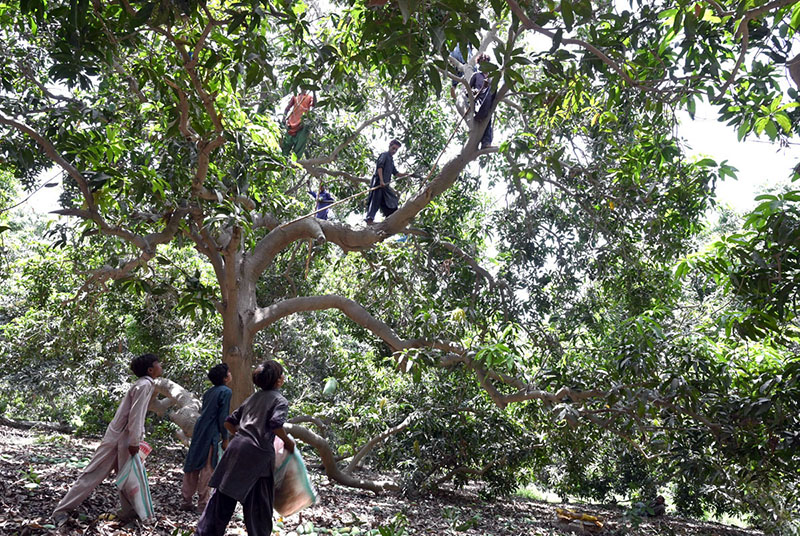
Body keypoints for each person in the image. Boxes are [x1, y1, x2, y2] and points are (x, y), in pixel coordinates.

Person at [53, 354, 163, 527]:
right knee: (93, 474)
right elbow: (135, 416)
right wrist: (135, 441)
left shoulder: (144, 384)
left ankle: (129, 512)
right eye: (158, 364)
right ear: (150, 369)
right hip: (120, 438)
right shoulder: (144, 385)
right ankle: (62, 510)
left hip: (122, 437)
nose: (161, 366)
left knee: (128, 476)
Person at [195, 360, 296, 536]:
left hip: (235, 450)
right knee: (258, 507)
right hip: (258, 456)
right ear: (279, 380)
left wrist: (241, 436)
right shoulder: (279, 400)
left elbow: (229, 422)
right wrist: (288, 442)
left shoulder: (252, 398)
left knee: (222, 499)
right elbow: (275, 424)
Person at [180, 363, 233, 513]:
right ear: (225, 377)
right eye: (229, 372)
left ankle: (186, 501)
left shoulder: (209, 392)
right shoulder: (226, 392)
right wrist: (226, 438)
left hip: (199, 430)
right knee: (208, 467)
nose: (230, 374)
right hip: (211, 433)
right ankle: (202, 504)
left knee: (192, 464)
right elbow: (223, 417)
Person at [365, 139, 407, 224]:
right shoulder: (384, 155)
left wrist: (407, 174)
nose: (394, 151)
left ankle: (392, 218)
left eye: (396, 149)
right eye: (393, 148)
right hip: (378, 183)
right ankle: (369, 219)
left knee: (391, 200)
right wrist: (381, 180)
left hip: (385, 186)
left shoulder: (391, 160)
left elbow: (396, 173)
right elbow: (379, 167)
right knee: (375, 201)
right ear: (390, 146)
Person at [469, 53, 495, 150]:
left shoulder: (492, 78)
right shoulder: (476, 75)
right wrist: (474, 92)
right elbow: (467, 90)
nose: (483, 65)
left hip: (488, 103)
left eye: (485, 63)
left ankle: (486, 143)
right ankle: (481, 142)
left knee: (488, 122)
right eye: (481, 63)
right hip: (479, 102)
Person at [281, 89, 314, 159]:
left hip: (302, 125)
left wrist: (314, 91)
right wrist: (283, 118)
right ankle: (282, 160)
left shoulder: (309, 97)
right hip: (292, 124)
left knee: (300, 144)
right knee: (286, 145)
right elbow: (287, 108)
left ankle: (295, 161)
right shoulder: (295, 96)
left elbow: (314, 104)